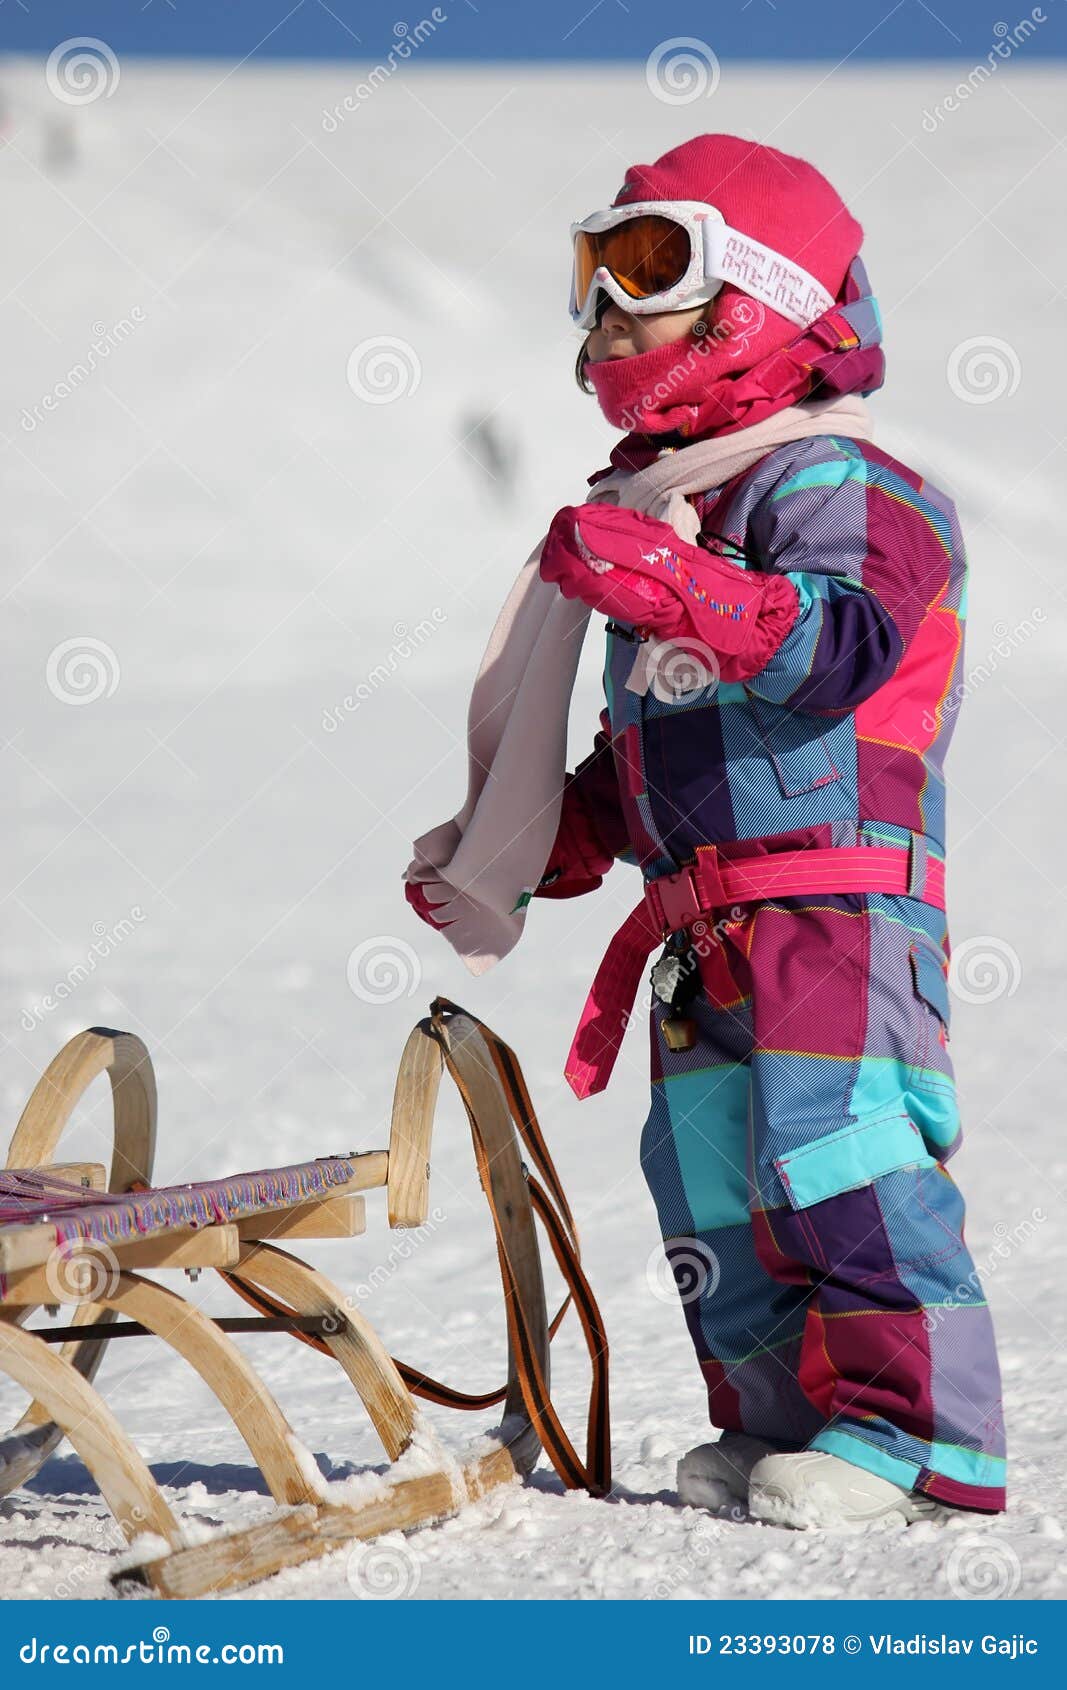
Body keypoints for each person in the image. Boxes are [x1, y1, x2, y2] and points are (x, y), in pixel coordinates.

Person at [405, 134, 1004, 1528]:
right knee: (715, 1182)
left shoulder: (839, 484)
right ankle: (787, 1417)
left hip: (834, 915)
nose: (611, 305)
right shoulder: (671, 509)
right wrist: (559, 833)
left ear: (763, 294)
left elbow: (841, 646)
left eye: (654, 262)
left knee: (837, 1149)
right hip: (703, 926)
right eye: (594, 270)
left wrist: (691, 591)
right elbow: (663, 742)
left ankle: (921, 1436)